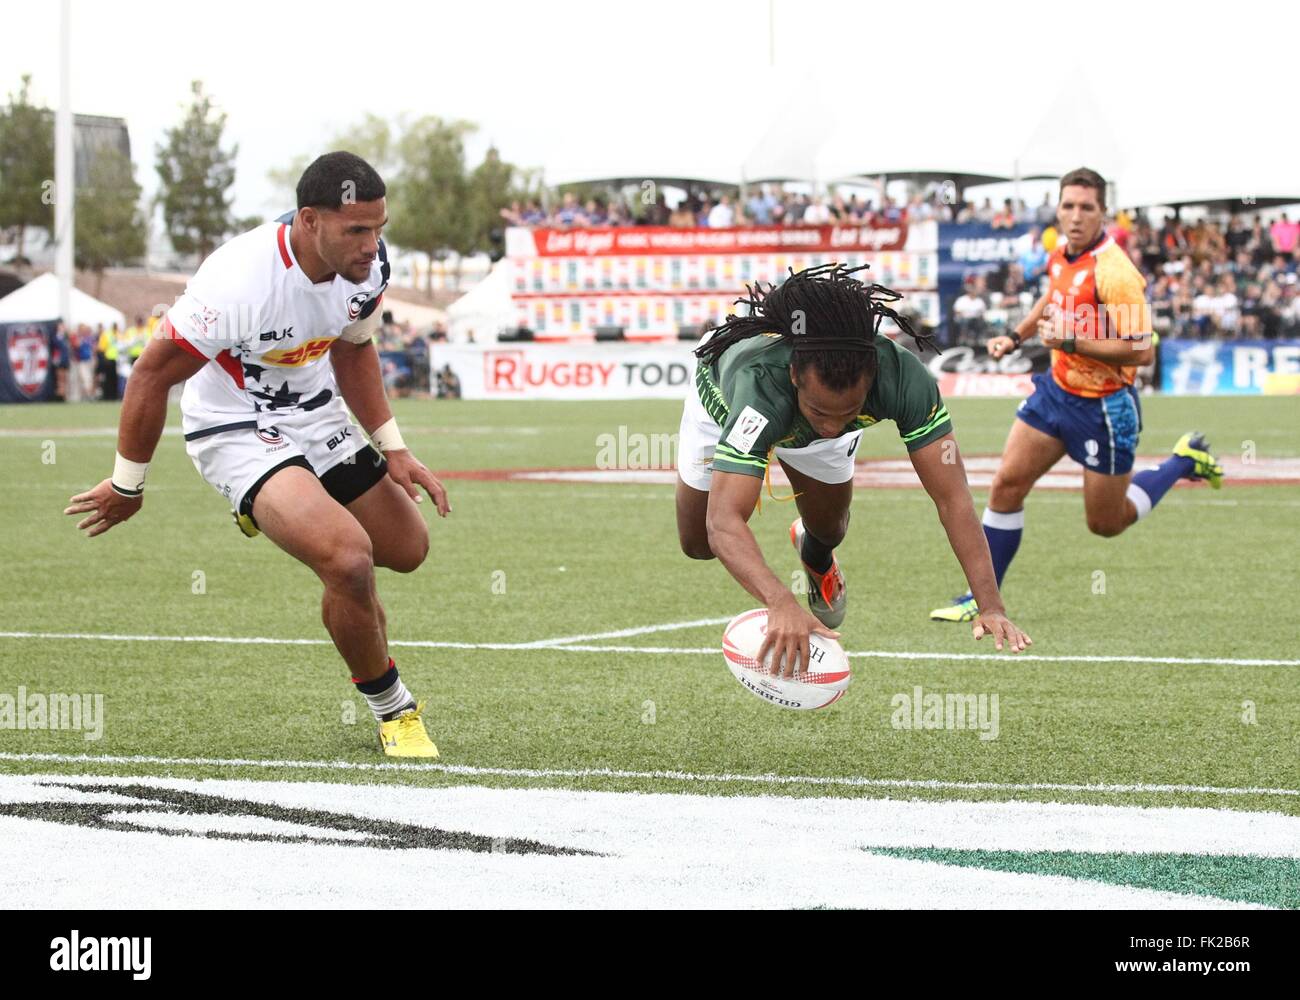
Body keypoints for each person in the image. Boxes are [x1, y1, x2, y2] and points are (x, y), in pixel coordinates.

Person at [63, 151, 449, 758]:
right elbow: (150, 374)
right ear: (309, 221)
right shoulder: (238, 280)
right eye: (357, 230)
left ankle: (276, 505)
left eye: (379, 229)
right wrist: (127, 484)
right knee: (348, 561)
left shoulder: (368, 270)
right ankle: (394, 710)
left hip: (316, 415)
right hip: (235, 426)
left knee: (408, 550)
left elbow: (353, 350)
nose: (371, 245)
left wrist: (393, 447)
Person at [675, 263, 1031, 675]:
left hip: (795, 416)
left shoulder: (903, 379)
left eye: (849, 411)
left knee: (831, 528)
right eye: (821, 411)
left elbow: (952, 498)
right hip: (724, 407)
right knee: (699, 541)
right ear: (794, 375)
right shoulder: (760, 389)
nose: (830, 425)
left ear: (872, 379)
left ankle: (815, 552)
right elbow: (724, 522)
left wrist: (990, 605)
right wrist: (781, 602)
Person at [930, 167, 1223, 624]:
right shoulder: (1061, 254)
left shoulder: (1116, 272)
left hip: (1105, 408)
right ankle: (981, 599)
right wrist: (1015, 334)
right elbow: (1054, 297)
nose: (1076, 215)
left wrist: (1072, 342)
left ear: (1103, 212)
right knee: (1006, 486)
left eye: (1087, 207)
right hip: (1056, 392)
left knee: (1106, 523)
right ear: (1058, 209)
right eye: (1068, 206)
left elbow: (1142, 351)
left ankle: (1184, 460)